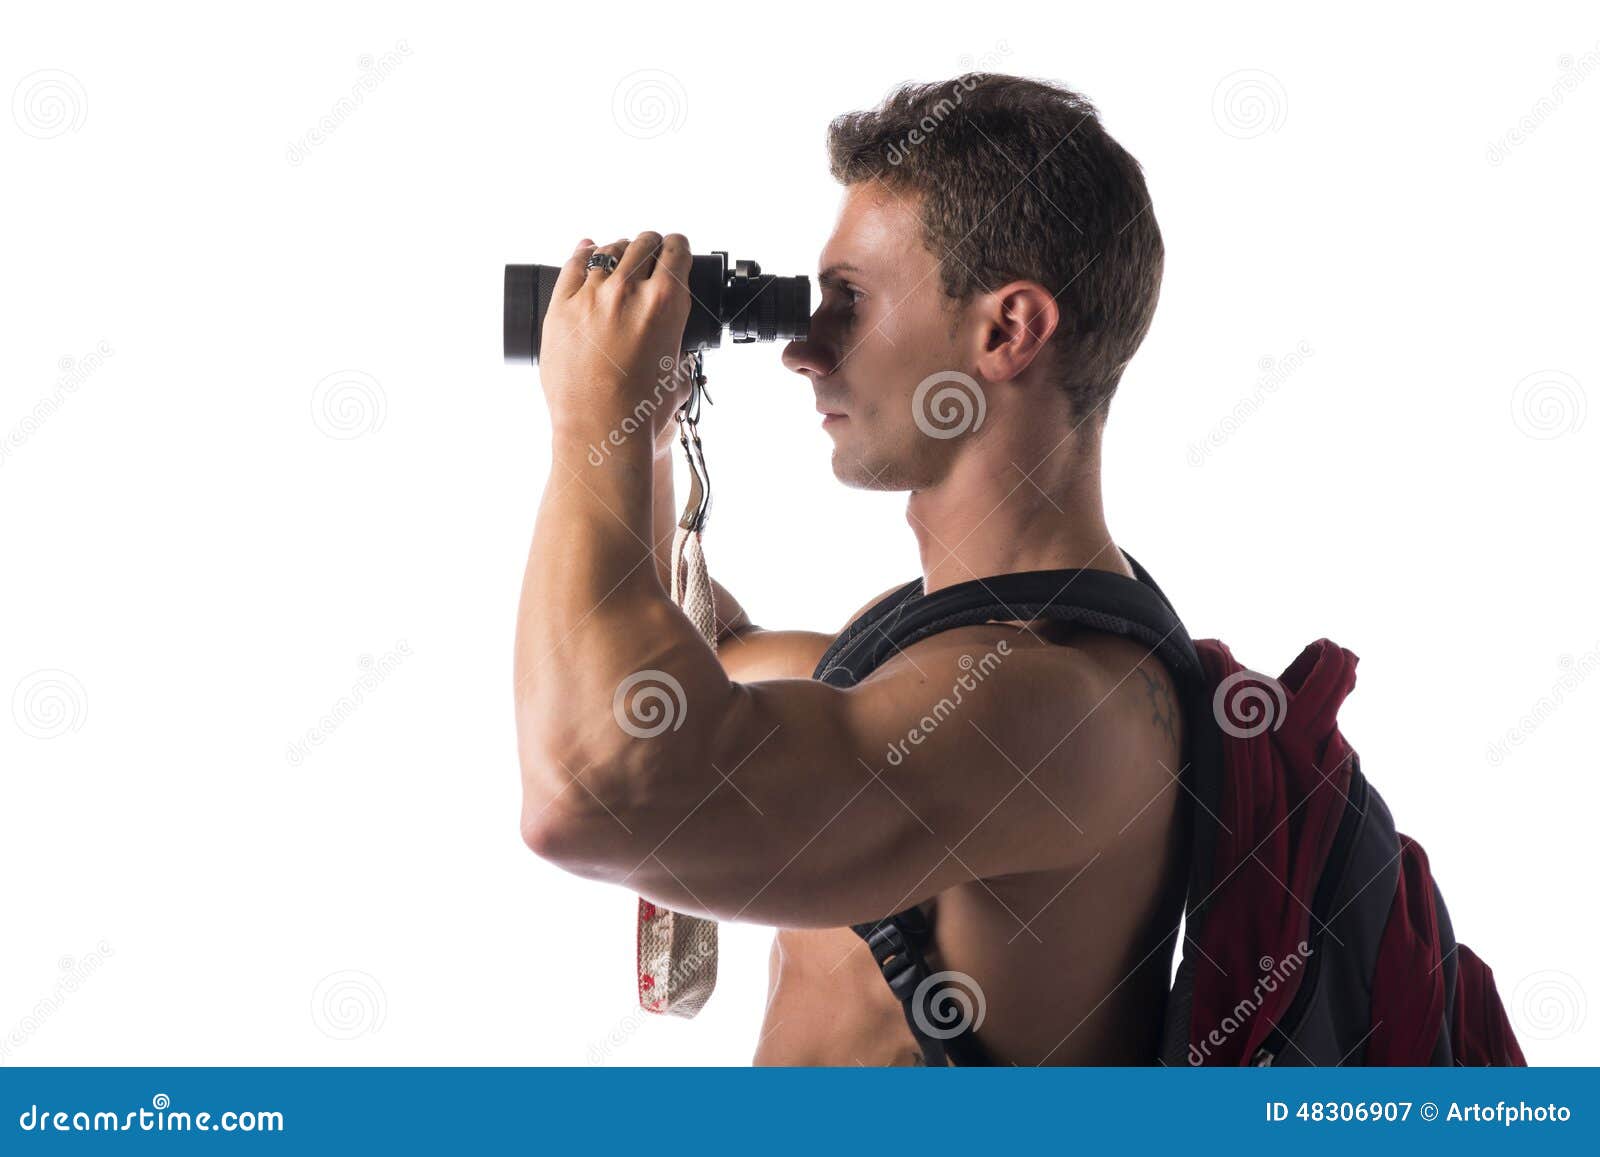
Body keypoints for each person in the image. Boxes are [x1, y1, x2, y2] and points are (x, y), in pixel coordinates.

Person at [515, 73, 1186, 1065]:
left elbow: (594, 791)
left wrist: (586, 426)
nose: (804, 351)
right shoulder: (936, 648)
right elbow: (696, 665)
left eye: (849, 303)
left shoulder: (1053, 704)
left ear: (1006, 331)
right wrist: (639, 428)